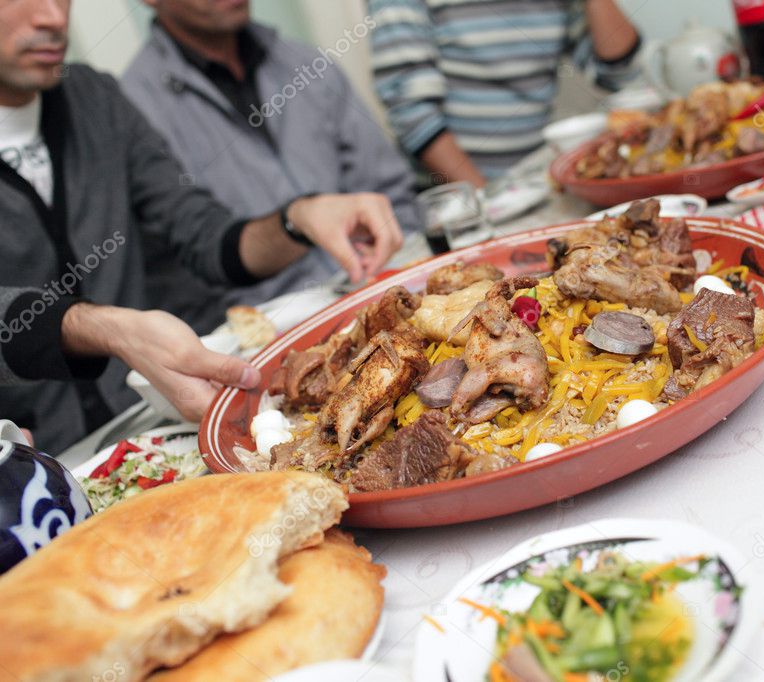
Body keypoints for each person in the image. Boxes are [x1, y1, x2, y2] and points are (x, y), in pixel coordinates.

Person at [0, 0, 403, 453]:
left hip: (156, 433)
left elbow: (202, 232)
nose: (53, 18)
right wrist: (104, 328)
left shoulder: (93, 97)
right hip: (32, 467)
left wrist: (298, 218)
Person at [121, 0, 421, 334]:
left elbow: (391, 190)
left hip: (389, 290)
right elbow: (188, 277)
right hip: (278, 337)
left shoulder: (304, 61)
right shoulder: (135, 111)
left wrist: (400, 269)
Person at [369, 0, 642, 187]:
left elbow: (619, 74)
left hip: (536, 182)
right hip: (456, 201)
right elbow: (411, 112)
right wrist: (485, 201)